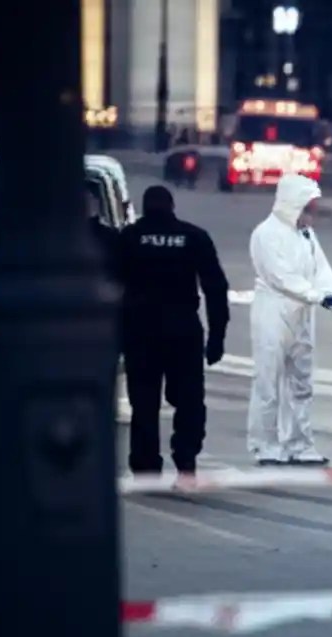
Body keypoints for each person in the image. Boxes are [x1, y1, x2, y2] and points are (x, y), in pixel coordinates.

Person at [116, 185, 229, 476]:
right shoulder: (193, 237)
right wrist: (217, 336)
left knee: (143, 401)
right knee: (189, 398)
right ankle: (186, 455)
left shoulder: (129, 238)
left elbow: (110, 289)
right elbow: (215, 287)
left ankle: (145, 463)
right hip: (183, 331)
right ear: (172, 206)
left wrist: (113, 337)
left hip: (140, 332)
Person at [247, 173, 332, 466]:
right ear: (292, 205)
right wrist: (318, 296)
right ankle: (265, 445)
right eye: (308, 208)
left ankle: (299, 445)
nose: (312, 214)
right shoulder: (265, 234)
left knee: (301, 382)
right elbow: (281, 277)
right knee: (268, 381)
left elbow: (321, 272)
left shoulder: (306, 235)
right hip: (273, 313)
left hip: (302, 314)